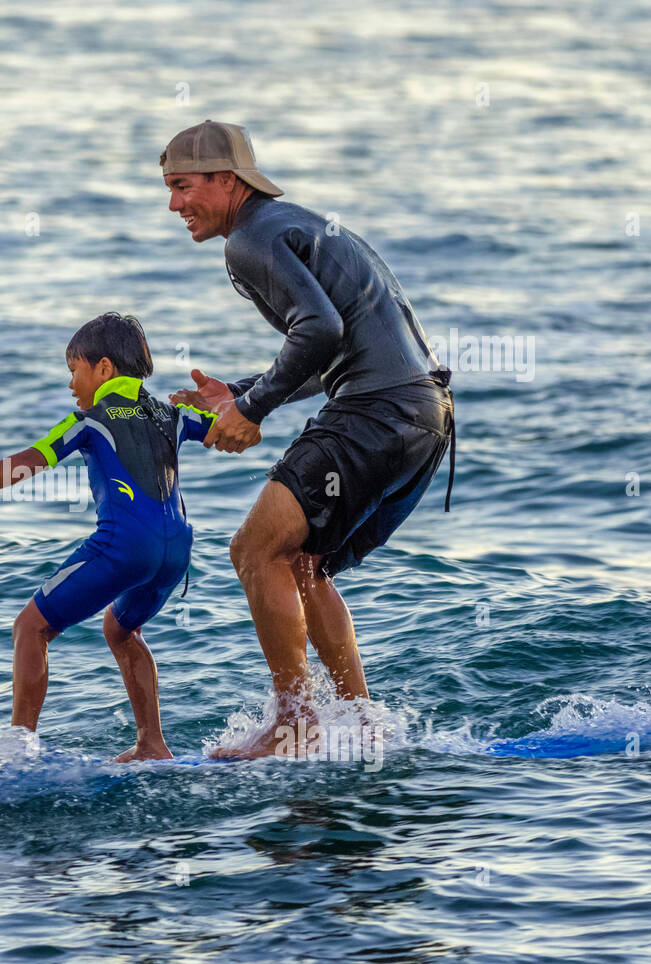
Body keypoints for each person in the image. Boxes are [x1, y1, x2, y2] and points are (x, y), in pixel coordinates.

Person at [160, 120, 457, 759]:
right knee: (302, 563)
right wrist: (238, 394)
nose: (174, 205)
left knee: (253, 550)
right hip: (425, 417)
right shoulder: (292, 225)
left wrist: (254, 408)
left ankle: (296, 723)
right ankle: (359, 719)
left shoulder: (248, 241)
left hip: (376, 412)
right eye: (168, 189)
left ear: (226, 180)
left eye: (184, 187)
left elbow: (317, 331)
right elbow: (332, 349)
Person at [0, 313, 216, 761]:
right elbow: (231, 431)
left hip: (125, 546)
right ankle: (152, 744)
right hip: (178, 550)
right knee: (122, 629)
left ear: (103, 369)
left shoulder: (91, 419)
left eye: (74, 371)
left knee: (30, 627)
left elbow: (27, 461)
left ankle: (18, 750)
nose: (71, 383)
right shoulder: (172, 414)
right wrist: (227, 403)